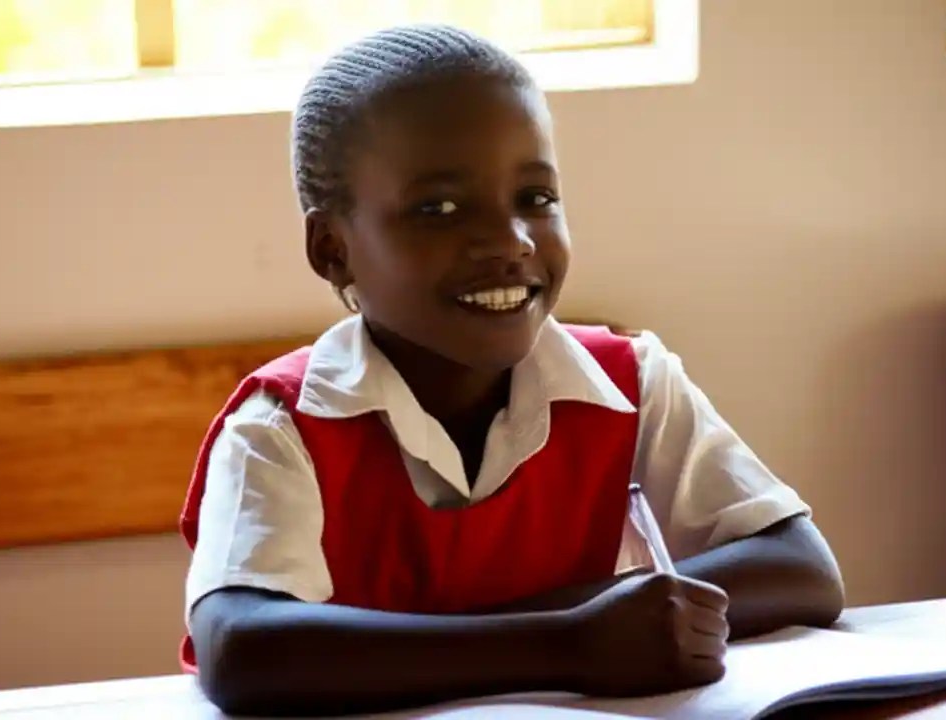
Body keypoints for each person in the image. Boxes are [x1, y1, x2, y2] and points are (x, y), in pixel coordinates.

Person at [179, 24, 844, 717]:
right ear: (333, 250)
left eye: (536, 198)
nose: (508, 240)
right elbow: (243, 646)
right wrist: (567, 642)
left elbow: (799, 567)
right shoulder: (283, 427)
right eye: (438, 208)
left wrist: (565, 630)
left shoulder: (628, 382)